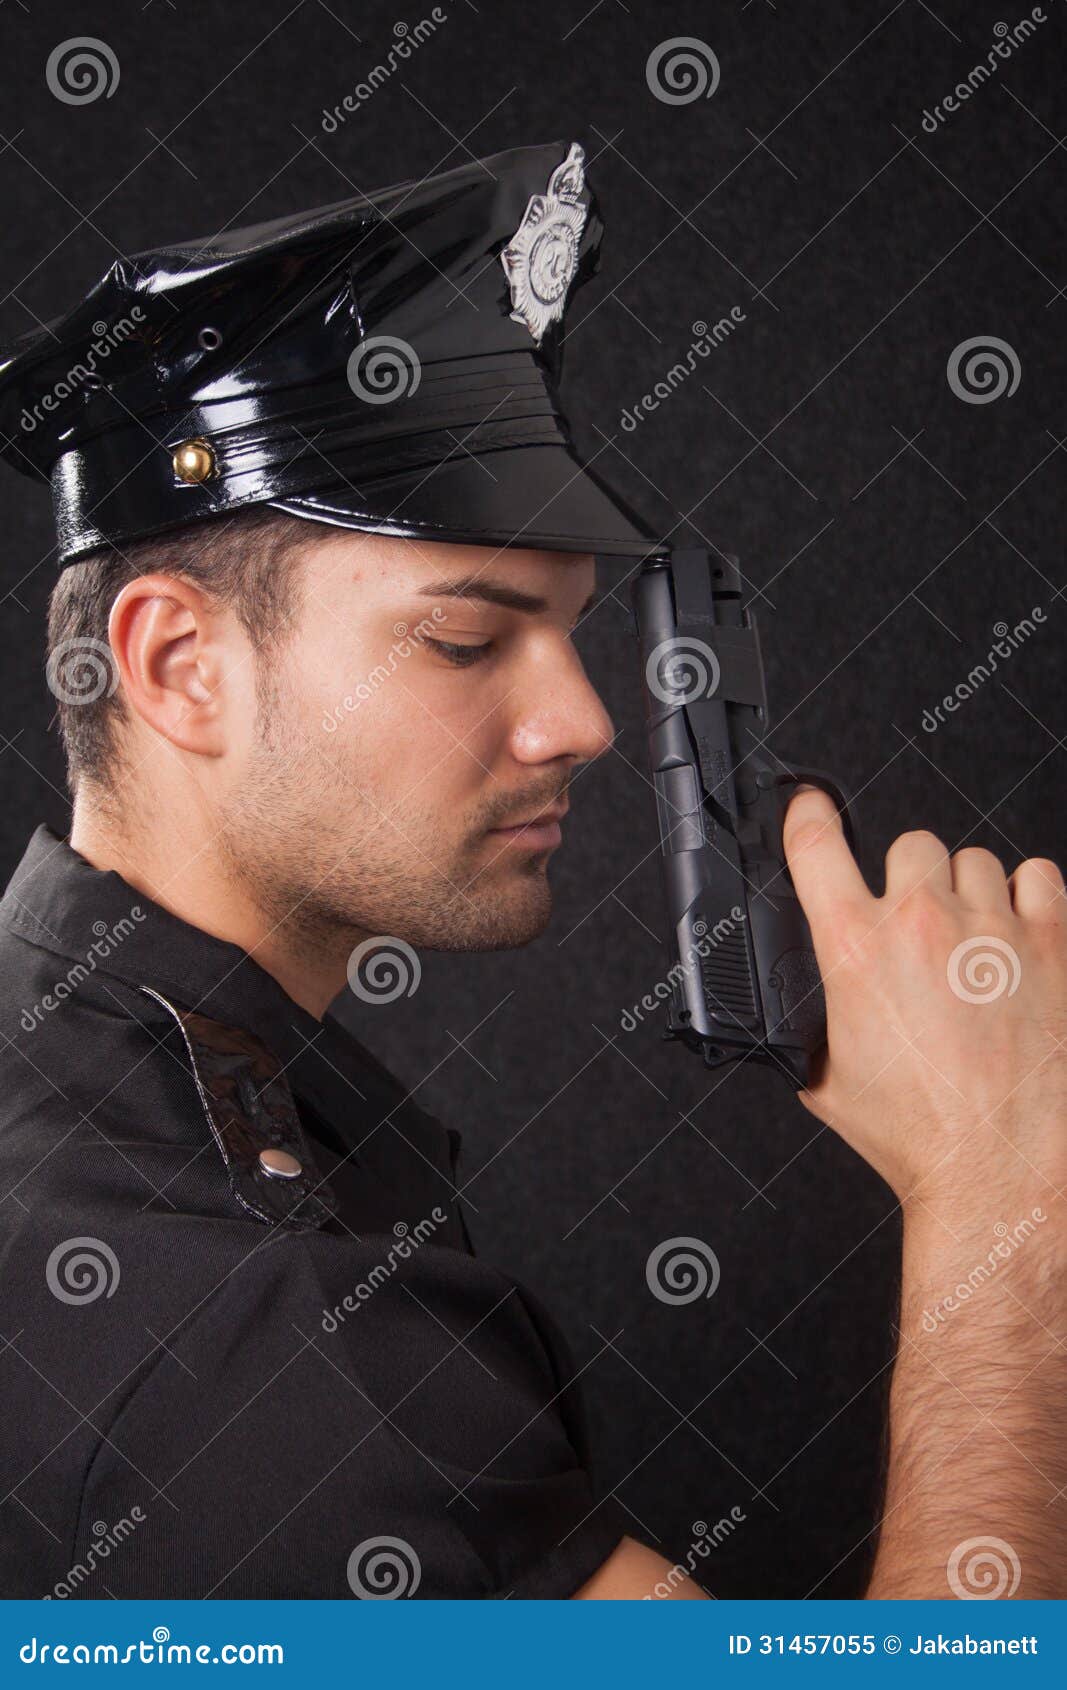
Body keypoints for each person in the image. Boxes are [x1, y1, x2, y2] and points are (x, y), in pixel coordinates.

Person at [0, 140, 1062, 1600]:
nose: (584, 720)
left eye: (568, 626)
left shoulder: (81, 1080)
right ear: (183, 667)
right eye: (463, 637)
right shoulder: (266, 1348)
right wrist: (1005, 1187)